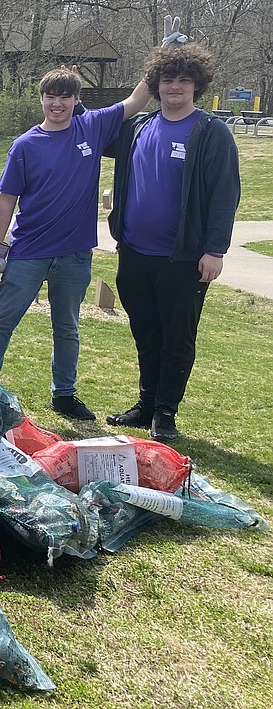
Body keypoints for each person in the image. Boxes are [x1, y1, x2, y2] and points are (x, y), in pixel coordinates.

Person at [0, 67, 151, 421]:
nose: (57, 104)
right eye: (50, 97)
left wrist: (160, 60)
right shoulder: (25, 145)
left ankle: (64, 394)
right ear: (41, 99)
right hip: (27, 251)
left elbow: (136, 100)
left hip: (74, 255)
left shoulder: (92, 127)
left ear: (76, 100)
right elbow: (7, 200)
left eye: (65, 97)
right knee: (2, 321)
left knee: (67, 326)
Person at [105, 38, 240, 442]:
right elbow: (91, 127)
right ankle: (146, 405)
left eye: (184, 80)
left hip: (183, 260)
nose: (175, 87)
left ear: (197, 85)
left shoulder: (211, 133)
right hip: (135, 253)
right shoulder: (137, 128)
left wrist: (215, 250)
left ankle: (166, 412)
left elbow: (224, 194)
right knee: (146, 332)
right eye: (167, 79)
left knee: (177, 338)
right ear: (155, 84)